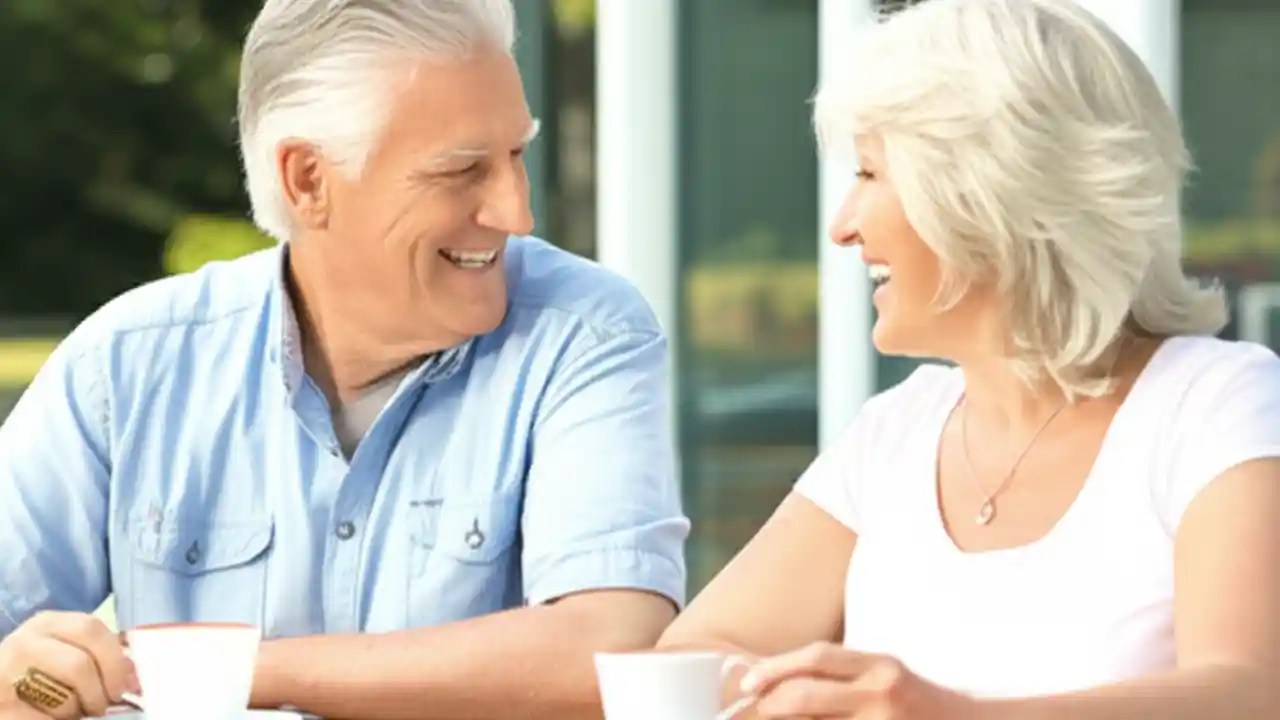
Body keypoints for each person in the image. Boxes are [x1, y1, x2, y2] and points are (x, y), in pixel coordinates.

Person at [0, 1, 688, 718]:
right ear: (307, 180)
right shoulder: (128, 365)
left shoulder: (584, 334)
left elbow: (612, 650)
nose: (517, 213)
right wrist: (22, 680)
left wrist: (217, 675)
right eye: (461, 171)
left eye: (516, 156)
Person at [659, 0, 1280, 717]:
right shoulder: (896, 432)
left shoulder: (1217, 404)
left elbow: (1248, 690)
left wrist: (953, 715)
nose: (842, 229)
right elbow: (688, 659)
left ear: (988, 193)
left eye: (869, 175)